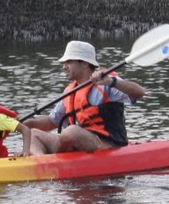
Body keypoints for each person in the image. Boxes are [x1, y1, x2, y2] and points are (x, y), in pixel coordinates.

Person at [19, 40, 147, 154]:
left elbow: (139, 92)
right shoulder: (70, 91)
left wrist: (111, 82)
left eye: (69, 62)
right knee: (32, 133)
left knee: (71, 132)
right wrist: (20, 124)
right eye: (64, 62)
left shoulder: (106, 82)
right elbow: (52, 121)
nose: (64, 66)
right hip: (74, 143)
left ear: (85, 63)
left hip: (106, 145)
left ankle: (55, 160)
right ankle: (43, 165)